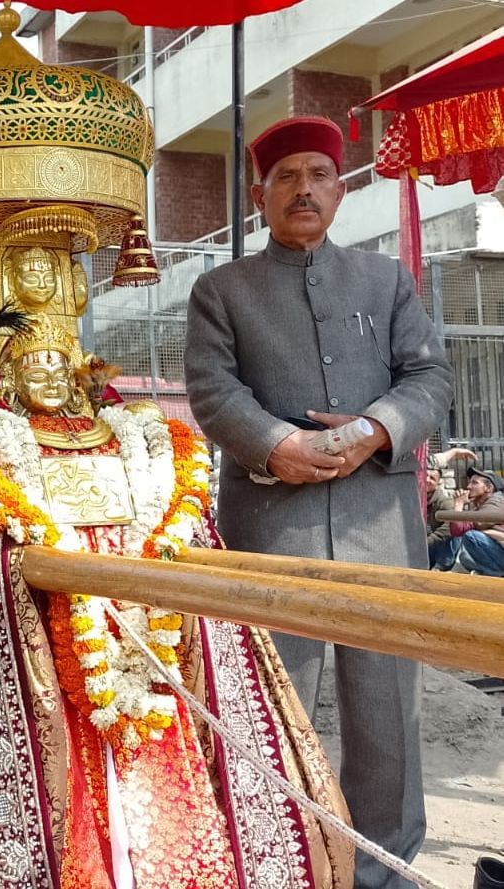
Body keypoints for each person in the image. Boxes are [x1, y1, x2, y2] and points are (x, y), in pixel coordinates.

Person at [0, 295, 353, 887]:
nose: (52, 379)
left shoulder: (138, 439)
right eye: (35, 368)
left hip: (146, 654)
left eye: (62, 366)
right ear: (7, 379)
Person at [184, 115, 454, 889]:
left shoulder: (385, 281)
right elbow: (211, 388)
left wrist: (373, 429)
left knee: (386, 714)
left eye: (318, 175)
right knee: (270, 708)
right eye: (286, 177)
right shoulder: (221, 290)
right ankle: (270, 864)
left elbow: (429, 375)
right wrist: (277, 443)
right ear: (258, 194)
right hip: (272, 524)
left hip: (381, 529)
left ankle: (381, 871)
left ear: (339, 189)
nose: (303, 189)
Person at [448, 467, 504, 577]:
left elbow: (459, 530)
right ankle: (492, 572)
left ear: (488, 488)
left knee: (471, 536)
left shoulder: (497, 502)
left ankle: (496, 574)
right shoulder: (481, 505)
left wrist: (459, 504)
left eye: (474, 483)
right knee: (464, 558)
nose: (468, 487)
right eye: (469, 482)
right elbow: (456, 530)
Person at [424, 468, 459, 570]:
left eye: (432, 478)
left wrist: (428, 541)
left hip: (435, 547)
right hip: (417, 547)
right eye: (425, 475)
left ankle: (440, 567)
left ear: (438, 484)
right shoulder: (411, 498)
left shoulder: (444, 502)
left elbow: (450, 525)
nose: (427, 479)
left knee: (455, 528)